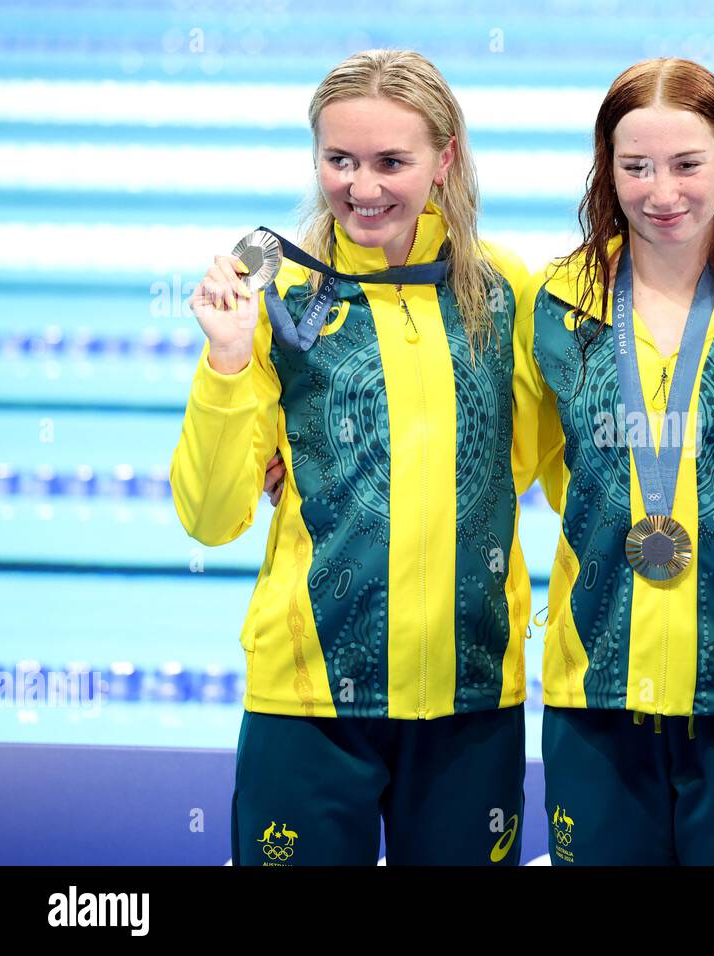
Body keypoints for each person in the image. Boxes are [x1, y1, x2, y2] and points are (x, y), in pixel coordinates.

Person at [170, 49, 531, 866]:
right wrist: (227, 360)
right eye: (340, 160)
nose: (362, 187)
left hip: (470, 694)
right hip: (307, 699)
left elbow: (545, 461)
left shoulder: (503, 291)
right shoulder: (275, 299)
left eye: (390, 162)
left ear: (444, 159)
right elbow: (210, 517)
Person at [511, 57, 714, 865]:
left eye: (686, 164)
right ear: (606, 170)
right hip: (596, 686)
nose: (661, 192)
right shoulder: (555, 304)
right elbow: (497, 469)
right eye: (635, 166)